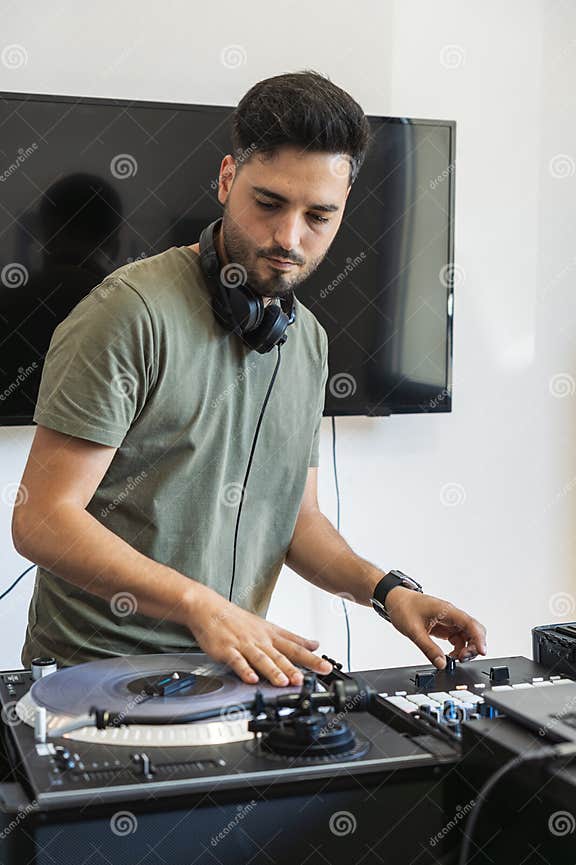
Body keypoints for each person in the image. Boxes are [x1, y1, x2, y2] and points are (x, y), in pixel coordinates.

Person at [12, 70, 486, 686]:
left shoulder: (307, 339)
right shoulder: (127, 313)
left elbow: (299, 520)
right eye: (269, 203)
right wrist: (200, 605)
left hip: (228, 679)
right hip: (94, 683)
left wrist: (390, 593)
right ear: (228, 178)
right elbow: (42, 518)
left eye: (319, 215)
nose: (289, 237)